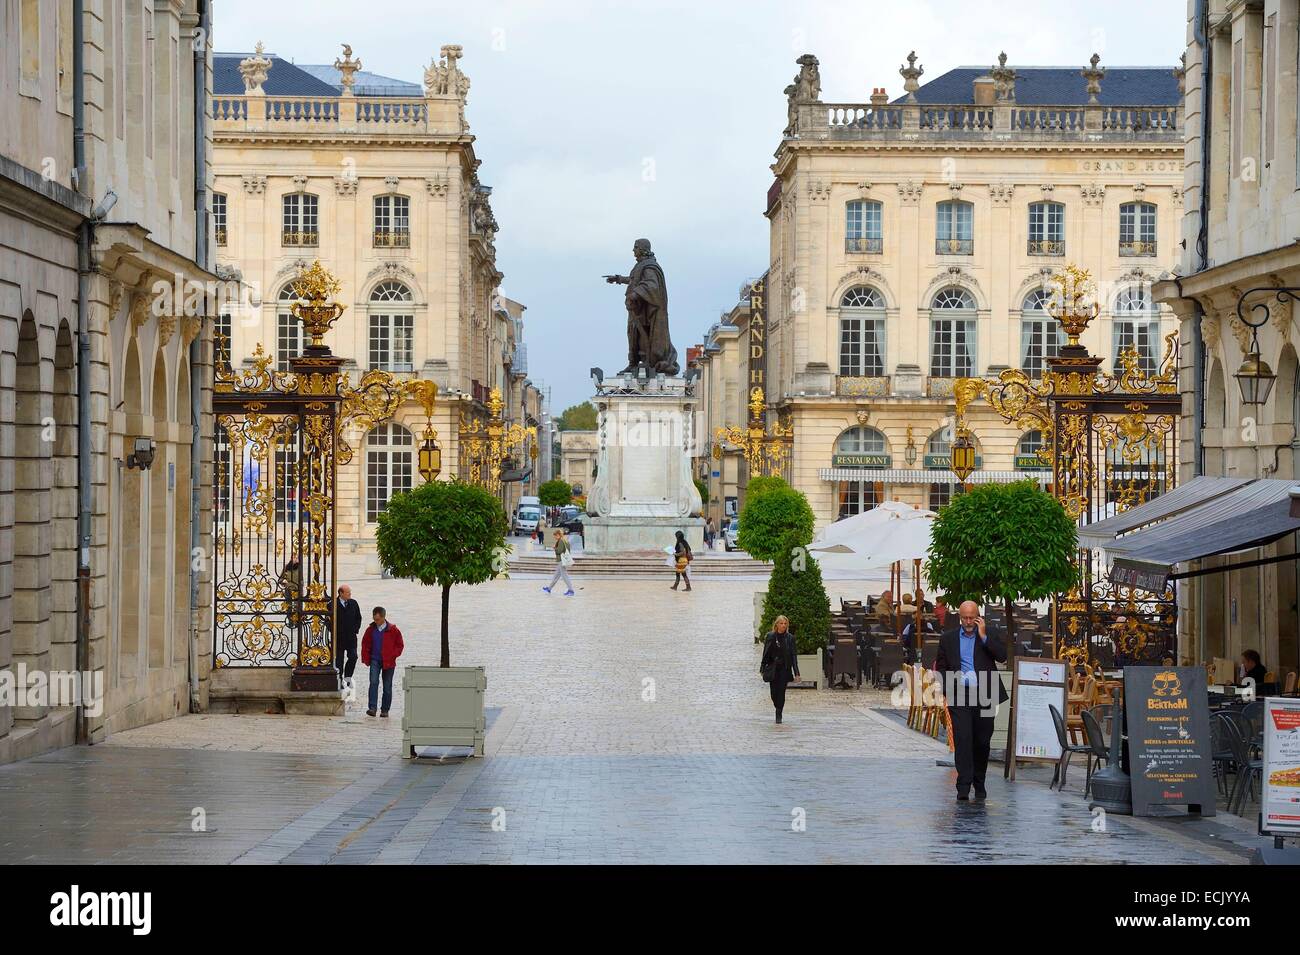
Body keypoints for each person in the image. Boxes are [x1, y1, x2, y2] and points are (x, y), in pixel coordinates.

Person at [935, 600, 1008, 801]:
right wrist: (948, 688)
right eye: (964, 618)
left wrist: (984, 636)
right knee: (963, 738)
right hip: (960, 694)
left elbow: (1002, 656)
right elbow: (940, 666)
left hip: (986, 692)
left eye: (971, 617)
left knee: (982, 741)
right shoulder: (948, 638)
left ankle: (979, 781)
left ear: (978, 616)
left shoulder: (989, 632)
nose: (968, 622)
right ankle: (963, 786)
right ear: (960, 617)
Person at [360, 606, 404, 718]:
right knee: (373, 682)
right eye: (374, 619)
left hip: (388, 662)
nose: (376, 622)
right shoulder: (370, 630)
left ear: (384, 617)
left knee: (387, 686)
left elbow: (400, 645)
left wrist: (393, 655)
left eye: (378, 619)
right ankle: (372, 708)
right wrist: (366, 657)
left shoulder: (393, 630)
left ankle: (385, 710)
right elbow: (365, 643)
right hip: (375, 660)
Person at [760, 614, 801, 724]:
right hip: (773, 667)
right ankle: (777, 705)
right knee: (774, 693)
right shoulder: (770, 636)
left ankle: (779, 714)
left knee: (781, 691)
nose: (783, 625)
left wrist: (797, 673)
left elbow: (793, 656)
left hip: (784, 668)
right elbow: (766, 653)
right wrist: (762, 667)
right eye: (781, 623)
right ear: (777, 624)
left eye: (785, 624)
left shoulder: (790, 638)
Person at [334, 584, 362, 687]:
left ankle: (348, 677)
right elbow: (328, 621)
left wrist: (355, 629)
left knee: (353, 657)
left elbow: (358, 617)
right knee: (339, 661)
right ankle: (340, 679)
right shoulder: (333, 604)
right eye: (348, 593)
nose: (350, 594)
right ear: (341, 593)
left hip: (351, 638)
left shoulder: (353, 603)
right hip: (339, 638)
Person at [542, 528, 575, 596]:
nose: (554, 537)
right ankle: (549, 588)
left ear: (559, 535)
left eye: (555, 535)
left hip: (561, 560)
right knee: (556, 575)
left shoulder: (561, 541)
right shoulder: (565, 540)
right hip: (562, 560)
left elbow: (559, 551)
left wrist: (555, 548)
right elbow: (568, 549)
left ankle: (571, 590)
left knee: (564, 575)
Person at [277, 554, 302, 627]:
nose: (295, 559)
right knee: (289, 607)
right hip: (288, 590)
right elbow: (280, 579)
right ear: (291, 558)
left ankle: (297, 622)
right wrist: (284, 581)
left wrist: (301, 589)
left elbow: (301, 581)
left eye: (297, 558)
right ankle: (290, 621)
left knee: (297, 607)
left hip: (297, 590)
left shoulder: (300, 567)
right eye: (294, 557)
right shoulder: (287, 567)